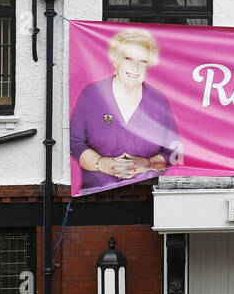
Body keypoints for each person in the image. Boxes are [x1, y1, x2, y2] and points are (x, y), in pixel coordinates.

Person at [71, 29, 181, 194]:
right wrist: (101, 163)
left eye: (143, 61)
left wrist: (147, 164)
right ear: (115, 61)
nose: (135, 67)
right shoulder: (92, 94)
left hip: (147, 196)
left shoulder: (159, 101)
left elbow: (174, 151)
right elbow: (74, 142)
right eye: (128, 58)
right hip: (96, 195)